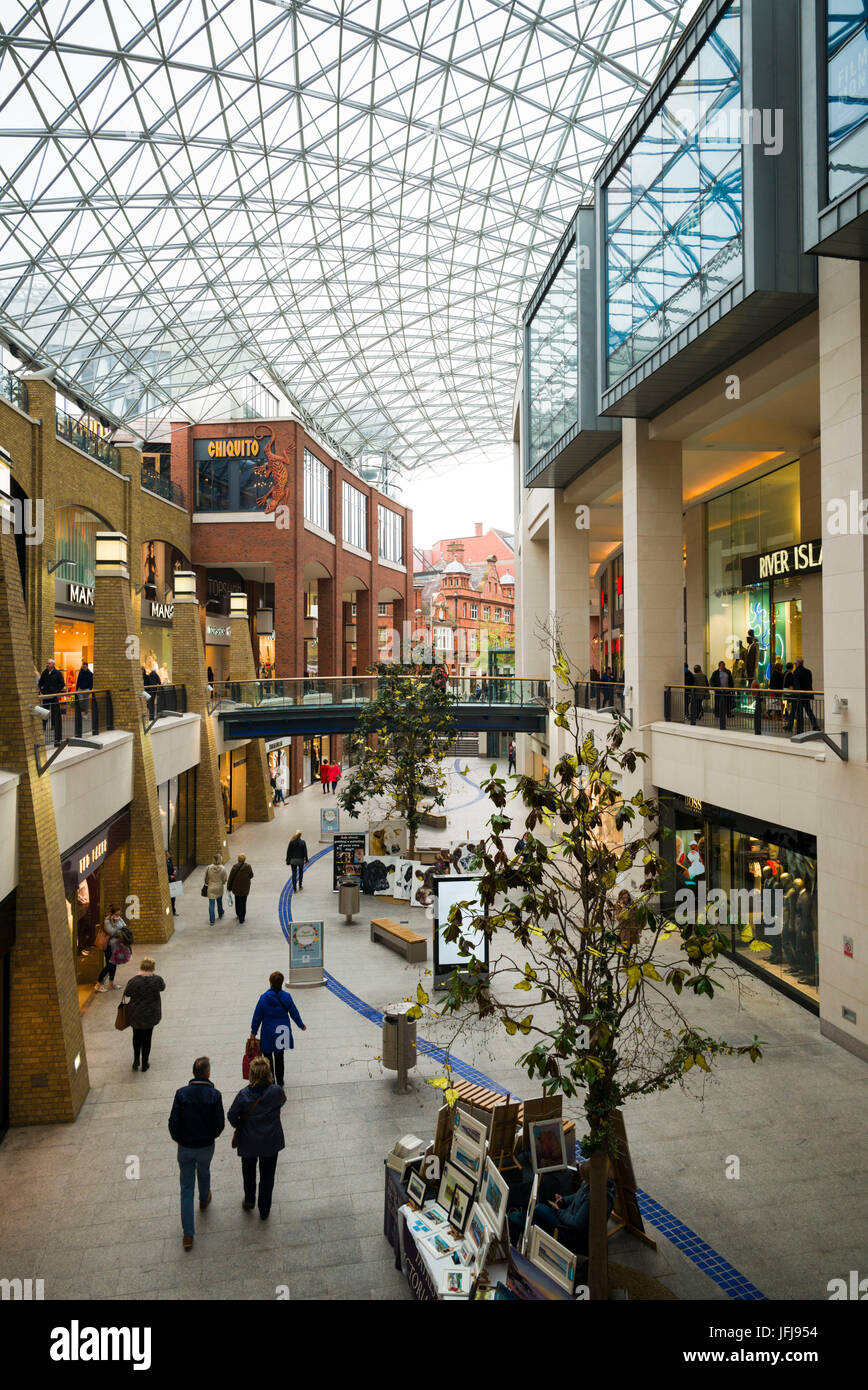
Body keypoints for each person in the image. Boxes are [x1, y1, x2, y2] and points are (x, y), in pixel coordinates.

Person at [168, 1055, 225, 1251]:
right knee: (204, 1170)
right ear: (208, 1073)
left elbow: (173, 1122)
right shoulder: (214, 1095)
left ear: (194, 1073)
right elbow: (219, 1125)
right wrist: (210, 1137)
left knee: (185, 1188)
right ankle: (204, 1198)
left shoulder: (181, 1094)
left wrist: (179, 1139)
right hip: (206, 1146)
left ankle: (188, 1234)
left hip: (185, 1148)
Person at [227, 1055, 288, 1220]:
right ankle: (264, 1208)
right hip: (270, 1141)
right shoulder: (276, 1091)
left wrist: (241, 1123)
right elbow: (282, 1101)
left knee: (248, 1172)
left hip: (248, 1142)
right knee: (268, 1176)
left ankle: (249, 1200)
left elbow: (232, 1117)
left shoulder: (243, 1095)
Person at [531, 1162, 616, 1254]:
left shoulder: (593, 1198)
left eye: (584, 1178)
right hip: (567, 1215)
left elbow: (576, 1224)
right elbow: (577, 1195)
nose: (581, 1179)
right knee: (537, 1220)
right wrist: (563, 1200)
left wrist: (559, 1212)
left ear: (590, 1179)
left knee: (539, 1209)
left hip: (570, 1231)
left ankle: (526, 1226)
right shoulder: (590, 1184)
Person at [250, 970, 306, 1087]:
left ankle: (270, 1080)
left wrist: (253, 1032)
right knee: (280, 1057)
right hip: (282, 1031)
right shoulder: (286, 996)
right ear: (281, 983)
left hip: (268, 1032)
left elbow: (257, 1016)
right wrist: (301, 1024)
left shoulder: (264, 998)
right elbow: (294, 1012)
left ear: (270, 982)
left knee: (268, 1058)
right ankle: (280, 1081)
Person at [123, 955, 165, 1072]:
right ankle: (145, 1063)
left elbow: (127, 993)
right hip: (151, 1014)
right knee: (147, 1038)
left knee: (136, 1036)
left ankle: (136, 1060)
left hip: (136, 1014)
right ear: (153, 968)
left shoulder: (133, 981)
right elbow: (162, 988)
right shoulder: (157, 980)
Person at [95, 905, 127, 991]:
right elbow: (111, 932)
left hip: (116, 945)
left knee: (114, 964)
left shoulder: (119, 918)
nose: (118, 915)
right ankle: (98, 984)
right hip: (108, 946)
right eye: (116, 914)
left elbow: (125, 927)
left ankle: (111, 983)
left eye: (119, 914)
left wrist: (118, 922)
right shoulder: (107, 921)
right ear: (112, 913)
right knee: (109, 965)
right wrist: (114, 923)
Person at [37, 656, 66, 744]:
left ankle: (54, 725)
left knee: (55, 711)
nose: (47, 665)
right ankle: (43, 726)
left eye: (49, 663)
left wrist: (56, 691)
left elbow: (62, 684)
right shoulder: (44, 673)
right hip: (46, 695)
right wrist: (42, 691)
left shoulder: (57, 673)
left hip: (53, 696)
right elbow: (40, 683)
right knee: (44, 710)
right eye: (47, 663)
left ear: (53, 665)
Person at [791, 657, 819, 733]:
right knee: (808, 710)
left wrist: (797, 693)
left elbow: (797, 685)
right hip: (807, 694)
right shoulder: (808, 671)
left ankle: (791, 726)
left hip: (799, 695)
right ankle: (815, 725)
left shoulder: (796, 672)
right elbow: (809, 683)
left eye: (795, 663)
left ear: (797, 664)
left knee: (794, 710)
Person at [227, 852, 254, 924]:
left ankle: (238, 914)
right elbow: (251, 875)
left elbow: (230, 878)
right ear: (245, 859)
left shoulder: (234, 867)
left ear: (238, 859)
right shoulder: (248, 867)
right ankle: (242, 918)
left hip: (236, 888)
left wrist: (228, 887)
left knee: (237, 901)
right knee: (243, 902)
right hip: (245, 888)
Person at [204, 853, 227, 924]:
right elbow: (225, 879)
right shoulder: (223, 868)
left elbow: (206, 878)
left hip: (211, 887)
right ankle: (220, 913)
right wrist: (222, 883)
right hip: (219, 887)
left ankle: (212, 920)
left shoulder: (208, 867)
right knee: (219, 901)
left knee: (211, 904)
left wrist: (208, 882)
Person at [166, 849, 178, 916]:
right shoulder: (164, 862)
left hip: (172, 881)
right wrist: (169, 877)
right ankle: (169, 912)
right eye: (168, 854)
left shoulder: (169, 860)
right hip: (168, 881)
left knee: (173, 896)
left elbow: (172, 868)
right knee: (169, 897)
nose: (169, 855)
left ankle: (173, 911)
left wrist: (174, 871)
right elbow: (163, 873)